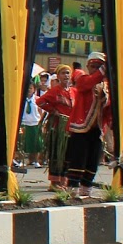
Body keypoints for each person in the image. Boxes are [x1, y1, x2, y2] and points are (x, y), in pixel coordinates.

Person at [65, 53, 109, 197]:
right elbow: (89, 83)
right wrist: (105, 68)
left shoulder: (105, 85)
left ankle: (86, 189)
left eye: (99, 67)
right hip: (81, 128)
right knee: (78, 159)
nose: (96, 70)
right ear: (88, 67)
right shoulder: (82, 79)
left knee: (93, 160)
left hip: (97, 128)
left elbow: (108, 107)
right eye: (93, 66)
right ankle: (72, 189)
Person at [38, 66, 74, 189]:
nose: (66, 76)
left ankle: (64, 180)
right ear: (58, 76)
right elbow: (40, 101)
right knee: (56, 154)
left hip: (70, 128)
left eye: (68, 73)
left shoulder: (74, 91)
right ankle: (54, 182)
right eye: (63, 73)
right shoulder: (55, 91)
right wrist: (53, 111)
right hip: (58, 127)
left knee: (67, 155)